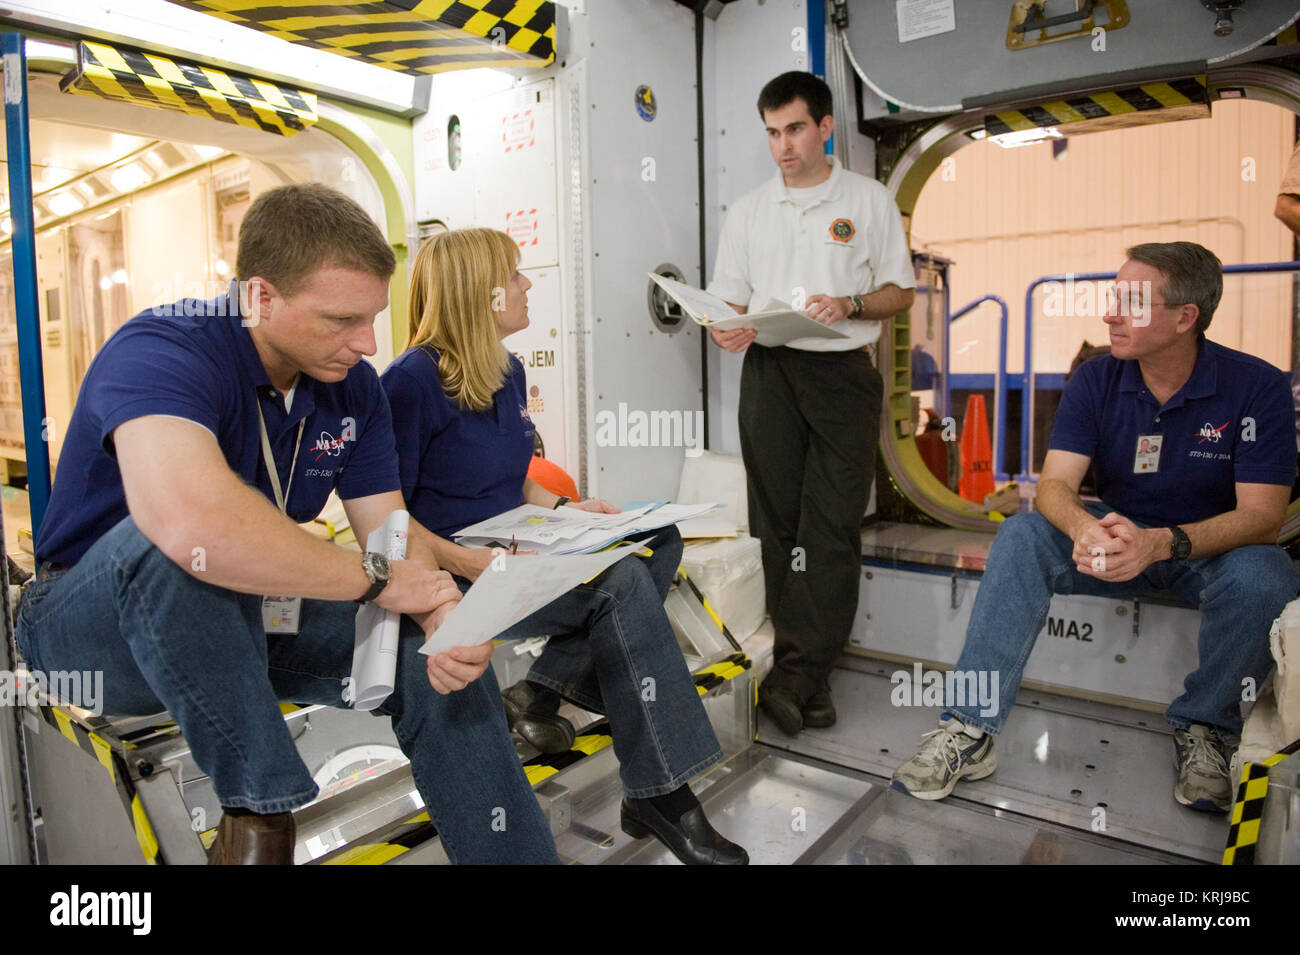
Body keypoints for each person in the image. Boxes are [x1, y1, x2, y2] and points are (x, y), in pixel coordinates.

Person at [17, 184, 559, 864]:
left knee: (436, 663)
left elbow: (390, 535)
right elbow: (194, 525)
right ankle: (262, 821)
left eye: (372, 319)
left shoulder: (352, 387)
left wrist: (447, 606)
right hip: (94, 631)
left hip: (246, 614)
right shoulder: (163, 348)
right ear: (259, 295)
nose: (366, 343)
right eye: (341, 320)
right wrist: (383, 581)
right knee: (169, 546)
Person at [380, 227, 748, 865]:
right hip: (453, 576)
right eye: (516, 276)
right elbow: (389, 518)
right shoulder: (410, 383)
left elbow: (513, 473)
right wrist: (469, 560)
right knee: (623, 584)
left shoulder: (508, 370)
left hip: (515, 550)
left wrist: (564, 509)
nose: (527, 286)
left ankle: (544, 688)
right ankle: (664, 794)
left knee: (654, 538)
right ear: (482, 293)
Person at [891, 242, 1298, 813]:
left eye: (1131, 301)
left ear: (1186, 318)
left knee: (1267, 574)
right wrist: (1085, 530)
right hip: (1113, 545)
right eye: (1113, 296)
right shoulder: (1095, 379)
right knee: (1023, 536)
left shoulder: (1257, 388)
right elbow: (1055, 484)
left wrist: (1163, 543)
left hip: (1204, 554)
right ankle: (968, 726)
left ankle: (1206, 728)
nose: (1109, 313)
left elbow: (1263, 518)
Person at [707, 71, 916, 735]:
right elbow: (731, 301)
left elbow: (899, 291)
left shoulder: (870, 199)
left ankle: (803, 672)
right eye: (772, 133)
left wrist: (850, 302)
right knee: (776, 523)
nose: (782, 146)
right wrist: (727, 325)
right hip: (770, 371)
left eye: (794, 129)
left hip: (841, 374)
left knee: (829, 526)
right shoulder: (747, 211)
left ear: (826, 127)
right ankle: (802, 671)